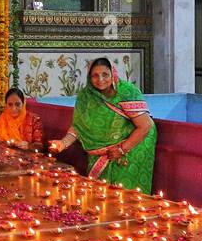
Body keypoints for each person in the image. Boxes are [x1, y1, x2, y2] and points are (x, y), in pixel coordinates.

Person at [49, 57, 156, 193]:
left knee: (125, 196)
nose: (100, 79)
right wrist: (62, 144)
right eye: (95, 75)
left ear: (113, 74)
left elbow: (145, 125)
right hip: (99, 153)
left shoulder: (127, 92)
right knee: (100, 195)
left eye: (105, 74)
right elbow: (79, 127)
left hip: (132, 148)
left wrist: (122, 150)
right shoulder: (86, 97)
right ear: (89, 77)